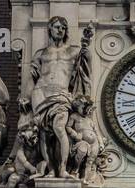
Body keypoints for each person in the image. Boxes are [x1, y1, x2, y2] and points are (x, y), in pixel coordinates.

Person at [28, 17, 94, 179]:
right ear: (49, 29)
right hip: (40, 93)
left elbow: (86, 70)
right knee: (44, 133)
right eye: (56, 27)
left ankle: (63, 169)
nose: (60, 30)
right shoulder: (41, 54)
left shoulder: (73, 51)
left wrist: (87, 55)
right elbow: (32, 78)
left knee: (59, 128)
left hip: (62, 94)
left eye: (63, 28)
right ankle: (51, 169)